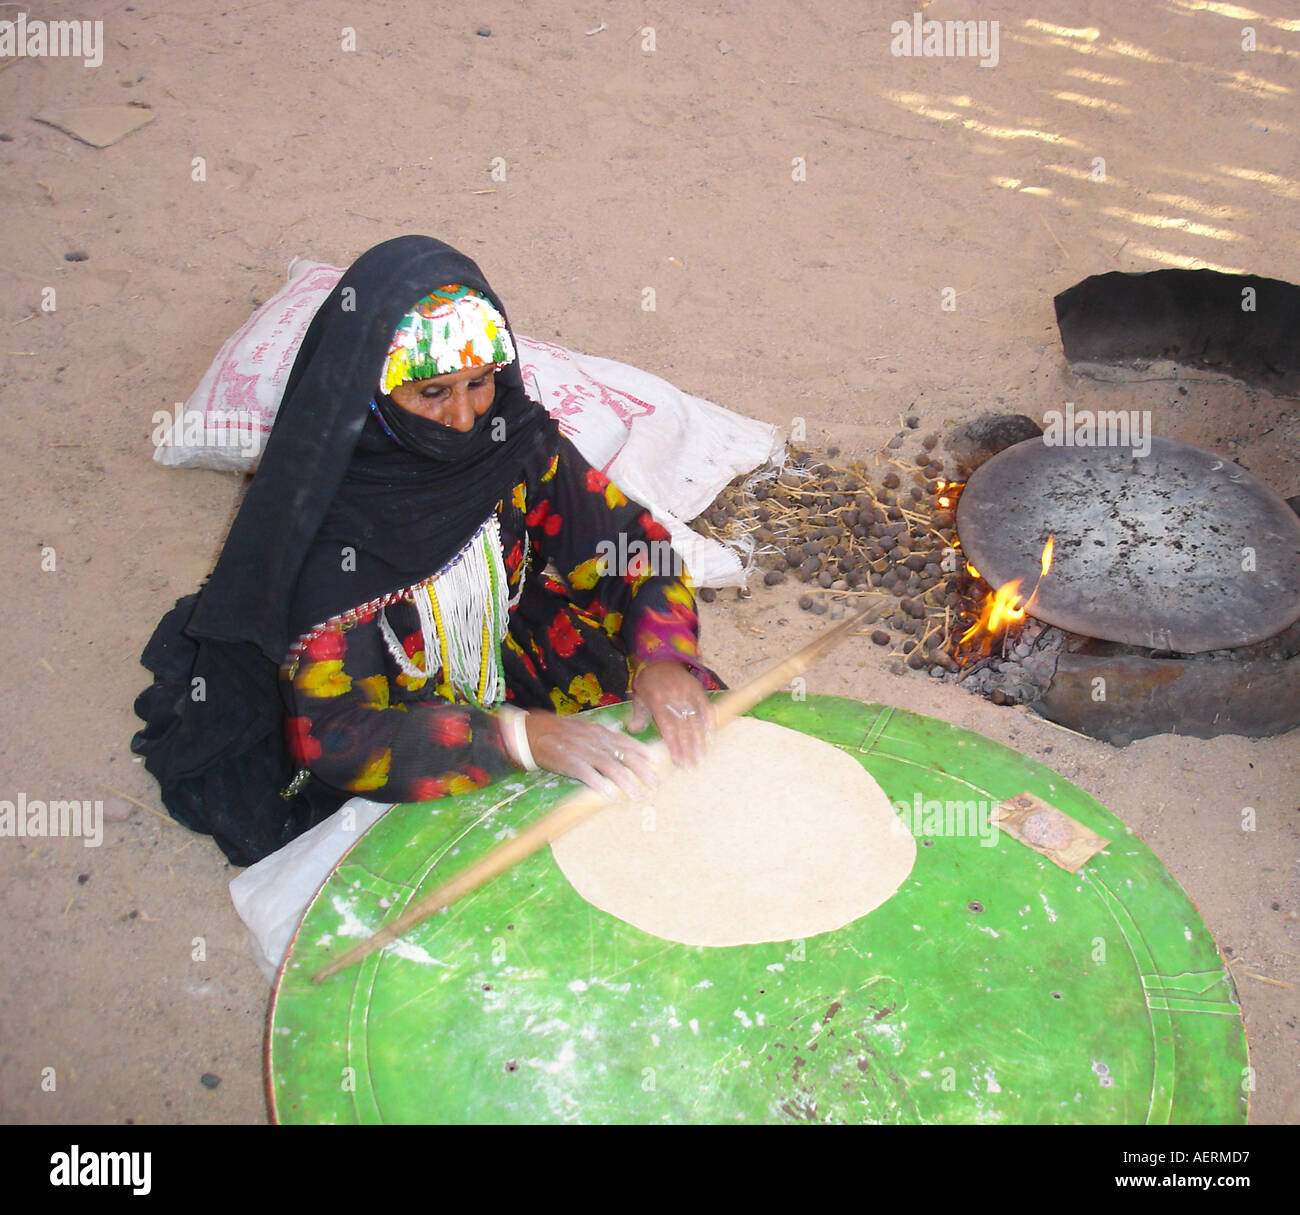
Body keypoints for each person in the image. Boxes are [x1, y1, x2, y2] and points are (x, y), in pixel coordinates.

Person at [133, 235, 722, 866]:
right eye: (432, 392)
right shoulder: (329, 530)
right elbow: (340, 736)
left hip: (500, 643)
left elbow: (634, 548)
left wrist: (662, 655)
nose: (465, 418)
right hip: (393, 706)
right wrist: (523, 738)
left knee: (679, 761)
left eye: (480, 383)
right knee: (485, 861)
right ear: (372, 390)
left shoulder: (512, 443)